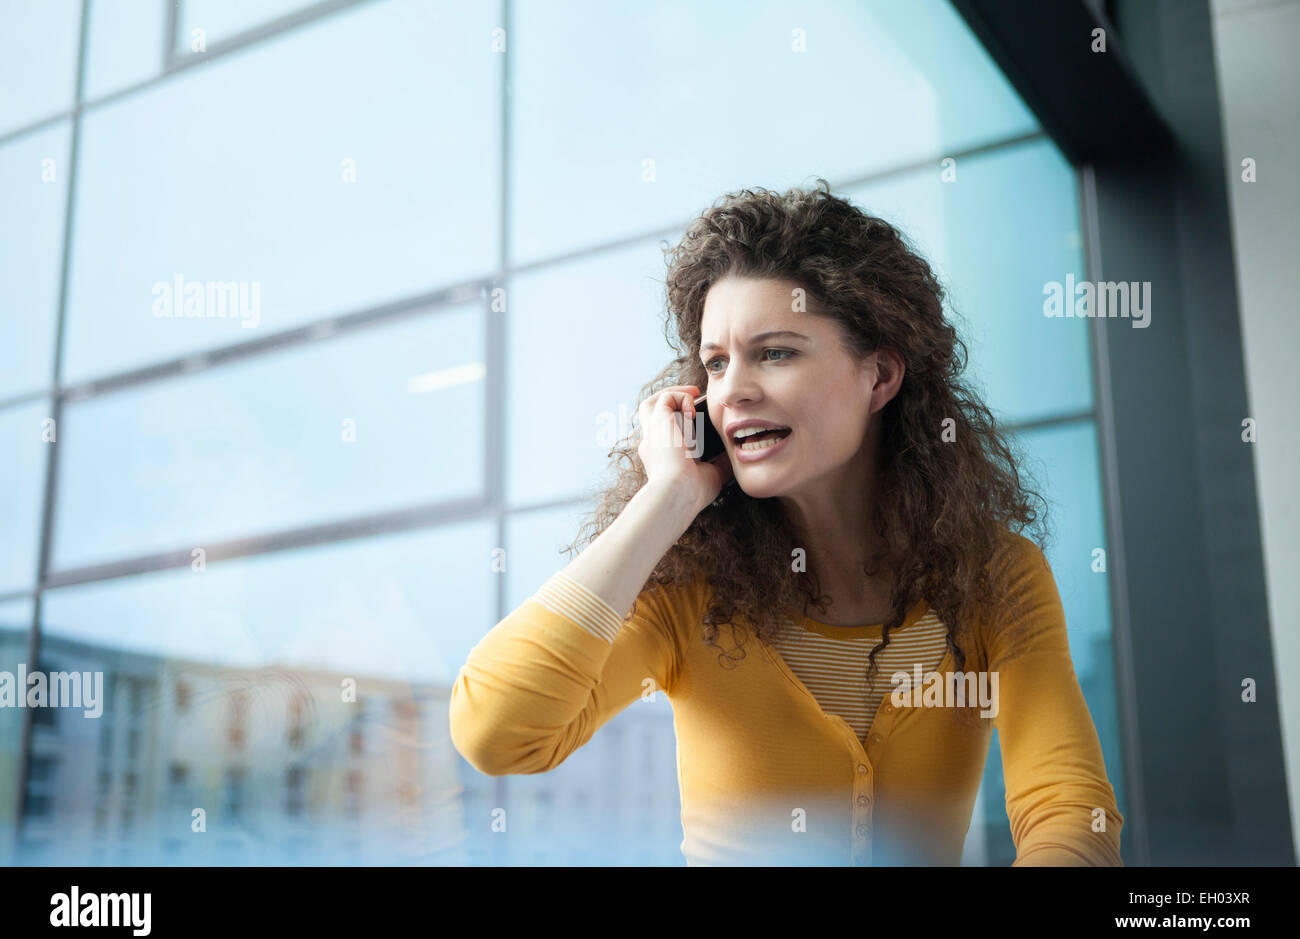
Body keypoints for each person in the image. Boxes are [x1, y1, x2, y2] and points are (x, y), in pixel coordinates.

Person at [449, 179, 1124, 866]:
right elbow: (498, 733)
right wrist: (667, 499)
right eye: (715, 363)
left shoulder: (992, 574)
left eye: (775, 352)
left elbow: (1070, 811)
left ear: (880, 377)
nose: (732, 391)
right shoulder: (688, 590)